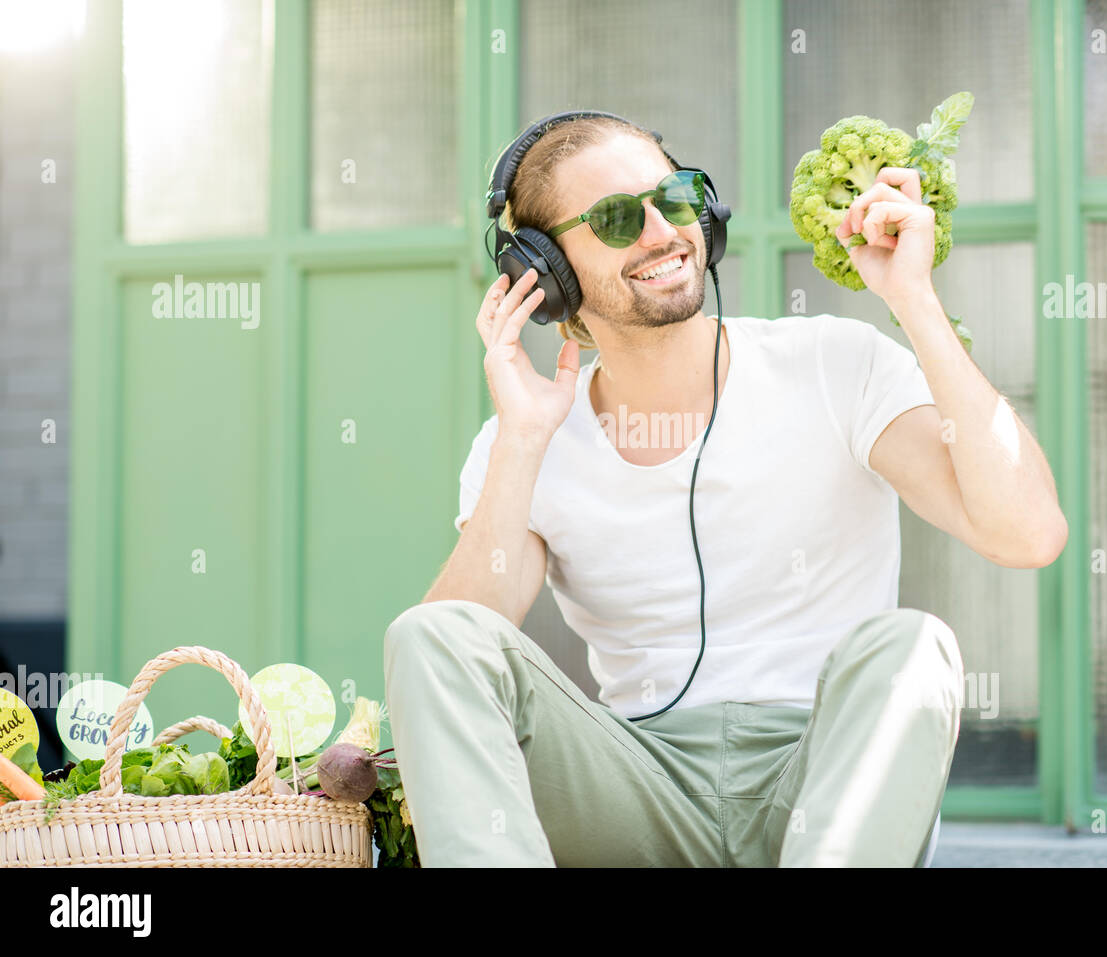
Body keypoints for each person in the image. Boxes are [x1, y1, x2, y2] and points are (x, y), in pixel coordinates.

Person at [383, 112, 1067, 867]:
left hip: (821, 782)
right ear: (543, 274)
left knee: (913, 646)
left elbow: (1028, 534)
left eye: (673, 199)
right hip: (637, 790)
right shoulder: (527, 436)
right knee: (426, 630)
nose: (661, 231)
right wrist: (521, 439)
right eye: (615, 218)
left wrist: (914, 300)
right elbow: (458, 654)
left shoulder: (834, 363)